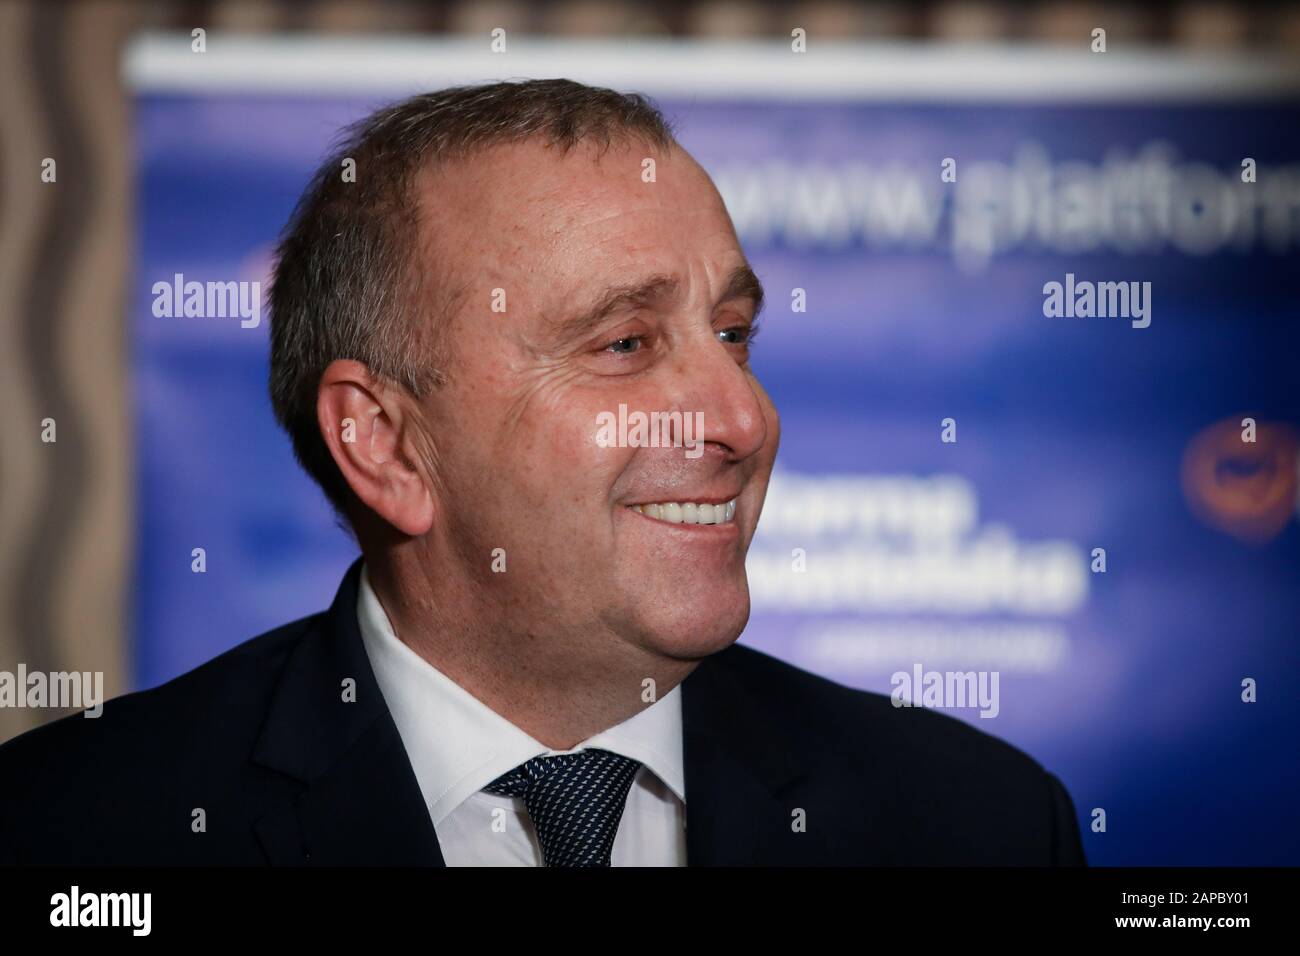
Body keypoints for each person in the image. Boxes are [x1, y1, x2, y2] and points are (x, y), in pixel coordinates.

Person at [0, 79, 1085, 866]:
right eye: (622, 343)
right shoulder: (75, 832)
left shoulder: (974, 824)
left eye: (735, 333)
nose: (743, 417)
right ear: (382, 441)